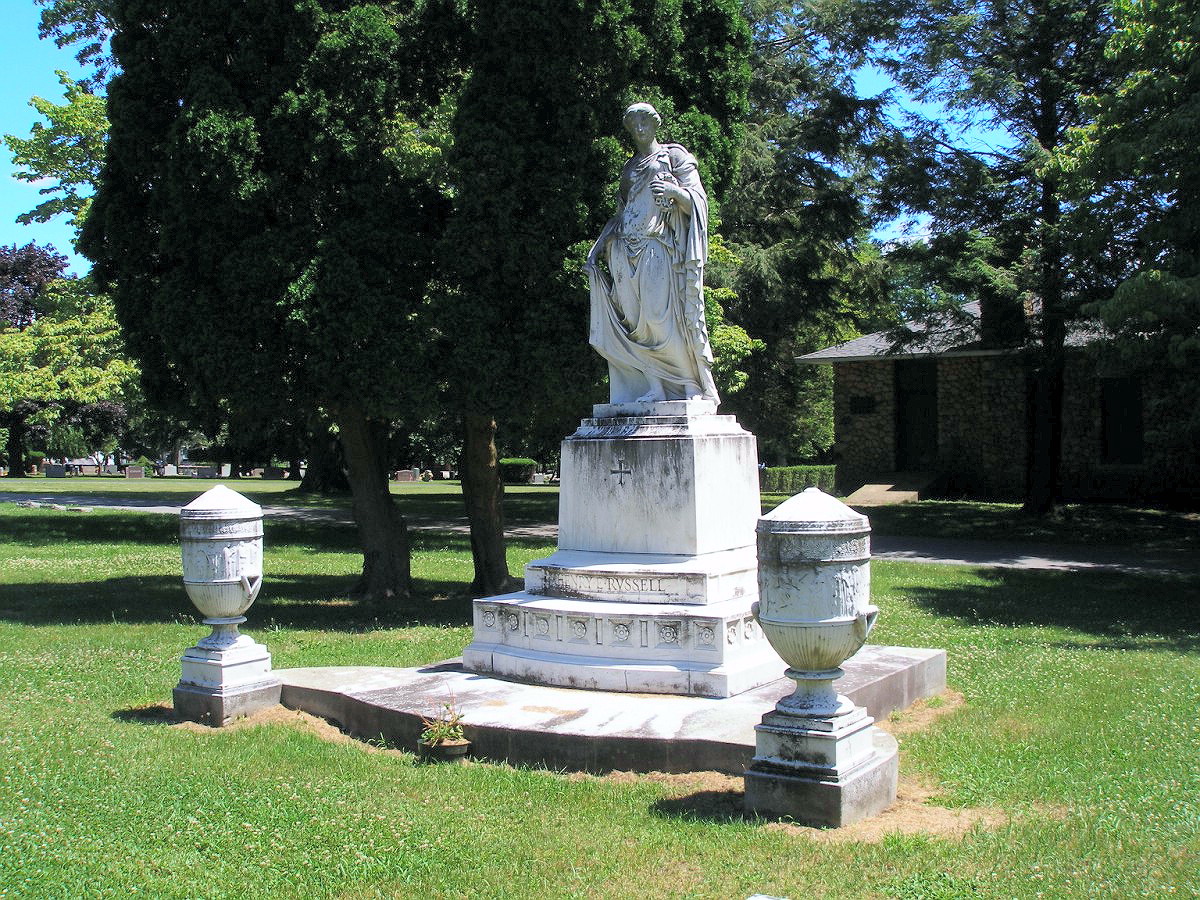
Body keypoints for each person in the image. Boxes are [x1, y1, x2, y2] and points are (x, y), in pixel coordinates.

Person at [585, 103, 720, 405]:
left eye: (644, 122)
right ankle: (655, 387)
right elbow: (621, 213)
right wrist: (598, 248)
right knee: (636, 324)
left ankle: (689, 384)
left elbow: (698, 201)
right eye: (634, 125)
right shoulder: (630, 168)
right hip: (623, 248)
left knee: (661, 321)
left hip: (656, 245)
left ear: (656, 124)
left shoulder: (674, 157)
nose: (640, 129)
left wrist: (674, 193)